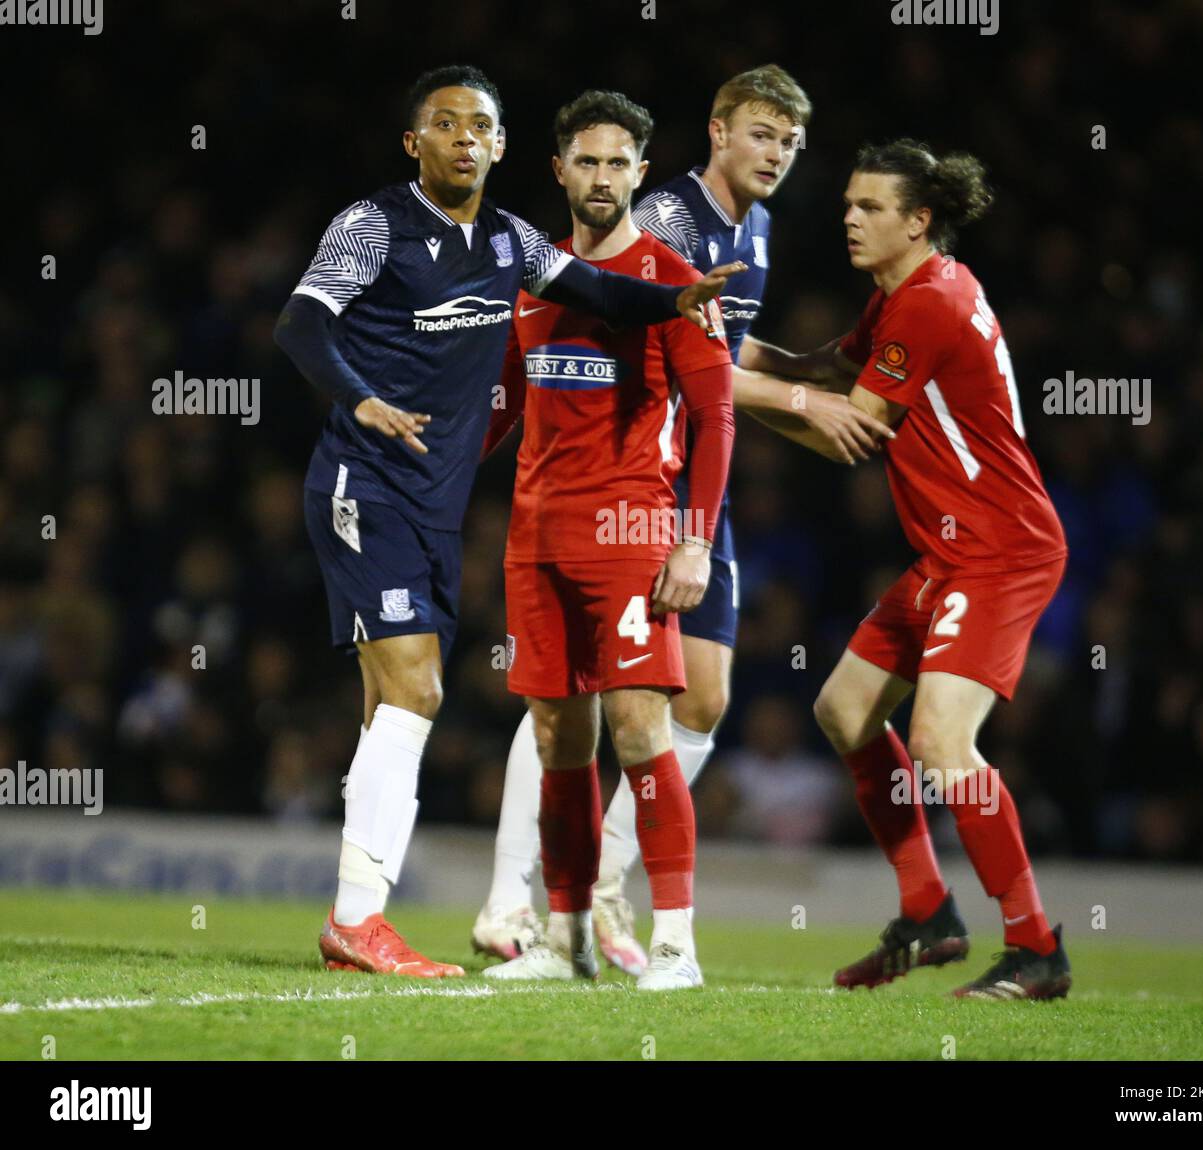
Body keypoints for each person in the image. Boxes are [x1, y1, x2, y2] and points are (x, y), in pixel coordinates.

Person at [274, 64, 739, 978]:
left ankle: (650, 939)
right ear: (417, 142)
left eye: (478, 126)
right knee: (423, 697)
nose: (462, 139)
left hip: (531, 521)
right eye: (443, 124)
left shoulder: (514, 246)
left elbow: (615, 306)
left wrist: (676, 302)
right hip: (386, 490)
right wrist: (361, 401)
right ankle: (367, 920)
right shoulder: (375, 226)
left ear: (500, 146)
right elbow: (300, 326)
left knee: (406, 709)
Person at [474, 65, 892, 974]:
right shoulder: (661, 224)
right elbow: (660, 346)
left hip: (654, 500)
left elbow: (709, 359)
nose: (776, 153)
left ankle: (624, 902)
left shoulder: (756, 229)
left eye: (790, 141)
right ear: (715, 130)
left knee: (683, 704)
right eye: (761, 133)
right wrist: (804, 402)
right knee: (571, 715)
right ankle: (529, 901)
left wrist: (800, 373)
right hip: (602, 502)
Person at [746, 139, 1073, 1000]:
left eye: (871, 208)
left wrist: (723, 393)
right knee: (846, 711)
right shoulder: (907, 294)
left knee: (937, 741)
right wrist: (729, 353)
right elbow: (822, 369)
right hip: (949, 552)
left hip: (999, 549)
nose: (850, 218)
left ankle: (1037, 947)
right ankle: (928, 909)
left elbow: (843, 430)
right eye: (848, 204)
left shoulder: (928, 304)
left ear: (919, 220)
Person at [478, 91, 733, 990]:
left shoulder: (674, 283)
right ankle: (566, 938)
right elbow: (506, 399)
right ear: (557, 169)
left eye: (617, 162)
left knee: (637, 725)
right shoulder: (533, 276)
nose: (600, 177)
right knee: (557, 739)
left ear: (640, 172)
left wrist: (694, 542)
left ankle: (675, 944)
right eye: (585, 161)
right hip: (536, 537)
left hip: (629, 534)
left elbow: (716, 417)